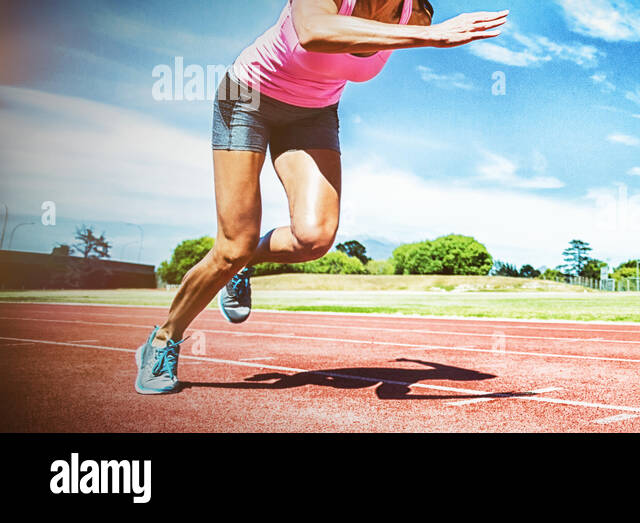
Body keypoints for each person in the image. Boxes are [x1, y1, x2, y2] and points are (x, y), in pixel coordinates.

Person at [136, 0, 508, 394]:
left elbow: (386, 37)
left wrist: (427, 32)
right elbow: (314, 33)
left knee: (313, 238)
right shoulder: (417, 25)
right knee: (232, 246)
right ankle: (163, 340)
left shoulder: (417, 15)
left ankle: (243, 265)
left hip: (314, 113)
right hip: (248, 98)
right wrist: (431, 38)